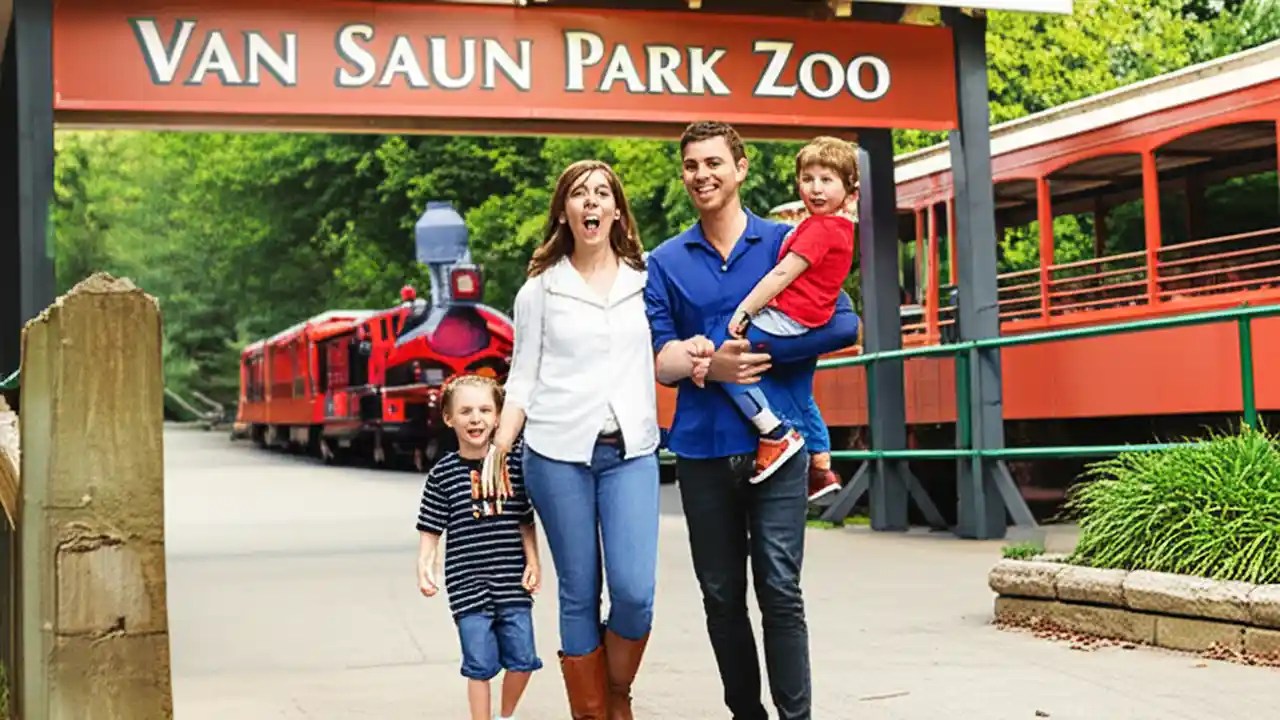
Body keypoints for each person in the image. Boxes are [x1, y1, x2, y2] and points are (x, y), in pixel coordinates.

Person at [644, 121, 861, 720]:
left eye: (714, 162)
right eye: (692, 165)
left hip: (781, 446)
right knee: (720, 596)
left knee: (781, 591)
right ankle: (747, 714)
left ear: (740, 168)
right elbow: (662, 359)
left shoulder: (789, 242)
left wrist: (761, 356)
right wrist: (713, 367)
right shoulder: (664, 261)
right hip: (702, 448)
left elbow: (845, 325)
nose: (702, 175)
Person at [489, 159, 661, 720]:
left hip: (630, 450)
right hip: (557, 453)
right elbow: (523, 377)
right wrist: (498, 445)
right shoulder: (541, 289)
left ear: (617, 210)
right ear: (564, 211)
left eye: (602, 194)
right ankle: (593, 714)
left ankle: (614, 694)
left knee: (634, 594)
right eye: (579, 195)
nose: (591, 203)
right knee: (579, 593)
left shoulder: (646, 282)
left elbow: (668, 355)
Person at [715, 135, 859, 490]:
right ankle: (821, 466)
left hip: (788, 319)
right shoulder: (838, 228)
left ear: (849, 191)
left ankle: (773, 431)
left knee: (728, 358)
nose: (816, 188)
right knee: (799, 389)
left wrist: (744, 310)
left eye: (827, 180)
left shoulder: (821, 230)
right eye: (808, 179)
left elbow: (782, 274)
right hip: (811, 319)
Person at [415, 374, 543, 720]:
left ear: (499, 415)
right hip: (467, 585)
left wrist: (534, 562)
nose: (476, 419)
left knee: (524, 659)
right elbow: (430, 527)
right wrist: (425, 565)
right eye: (466, 411)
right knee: (479, 664)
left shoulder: (512, 464)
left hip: (511, 583)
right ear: (449, 418)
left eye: (485, 410)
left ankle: (506, 715)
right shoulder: (443, 474)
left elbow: (524, 520)